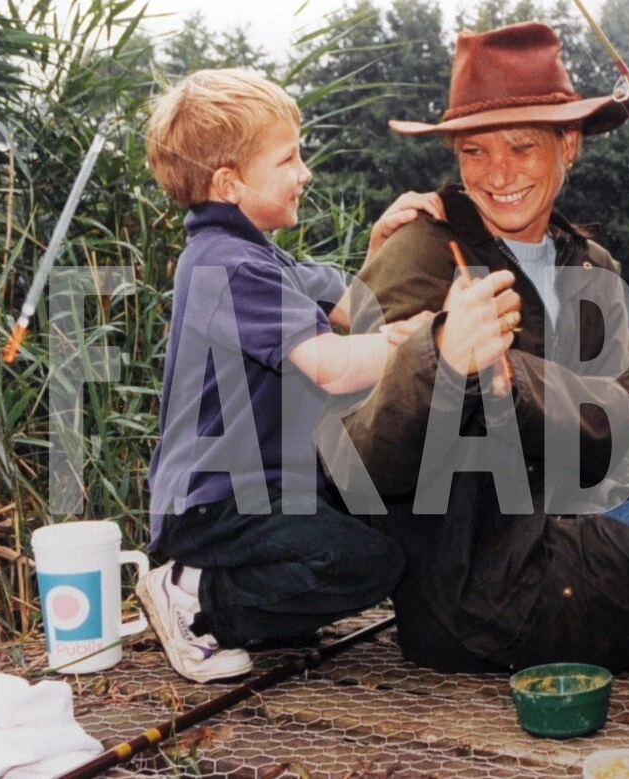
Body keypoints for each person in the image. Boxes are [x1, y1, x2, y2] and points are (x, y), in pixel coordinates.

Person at [316, 22, 629, 674]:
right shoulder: (420, 251)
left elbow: (618, 424)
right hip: (484, 593)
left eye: (520, 146)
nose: (496, 172)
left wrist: (516, 377)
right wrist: (438, 360)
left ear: (570, 145)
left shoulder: (591, 264)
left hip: (569, 531)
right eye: (473, 151)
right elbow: (347, 464)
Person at [138, 68, 507, 683]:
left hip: (263, 491)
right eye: (287, 159)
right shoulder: (225, 265)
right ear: (230, 184)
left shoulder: (257, 254)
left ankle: (257, 599)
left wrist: (383, 244)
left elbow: (356, 305)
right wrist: (433, 342)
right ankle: (198, 600)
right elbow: (333, 366)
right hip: (215, 505)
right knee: (365, 563)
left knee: (381, 525)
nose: (304, 171)